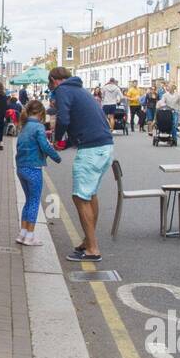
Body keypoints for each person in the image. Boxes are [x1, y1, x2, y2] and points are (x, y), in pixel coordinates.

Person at [48, 67, 114, 263]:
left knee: (80, 197)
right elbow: (83, 123)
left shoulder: (62, 91)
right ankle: (87, 241)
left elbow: (64, 118)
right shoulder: (80, 91)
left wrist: (57, 139)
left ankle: (93, 249)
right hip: (105, 146)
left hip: (91, 150)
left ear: (54, 80)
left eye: (49, 84)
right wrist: (67, 143)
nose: (50, 88)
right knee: (90, 194)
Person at [15, 99, 61, 246]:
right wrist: (56, 157)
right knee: (34, 201)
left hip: (21, 167)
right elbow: (44, 146)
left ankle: (22, 233)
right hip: (34, 168)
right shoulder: (39, 127)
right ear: (41, 113)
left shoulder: (24, 126)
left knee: (28, 201)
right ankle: (30, 236)